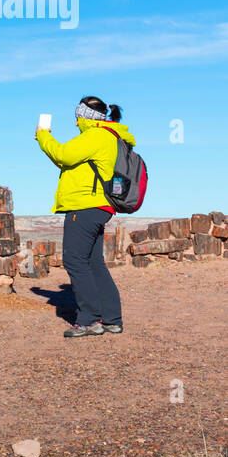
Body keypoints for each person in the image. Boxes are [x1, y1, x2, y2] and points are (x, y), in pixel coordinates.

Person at [35, 96, 135, 337]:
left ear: (86, 117)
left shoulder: (95, 136)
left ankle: (89, 320)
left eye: (77, 118)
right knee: (93, 262)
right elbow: (70, 160)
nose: (75, 123)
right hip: (98, 206)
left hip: (84, 206)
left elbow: (63, 154)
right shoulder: (109, 136)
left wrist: (43, 135)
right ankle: (111, 319)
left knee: (74, 260)